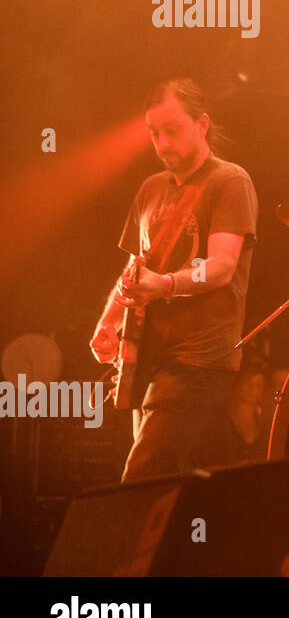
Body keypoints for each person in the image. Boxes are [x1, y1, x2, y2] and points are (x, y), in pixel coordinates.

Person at [89, 79, 259, 483]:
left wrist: (164, 285)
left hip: (199, 359)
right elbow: (135, 268)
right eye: (153, 133)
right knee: (166, 485)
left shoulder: (230, 181)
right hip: (146, 356)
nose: (162, 142)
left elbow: (221, 266)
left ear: (202, 125)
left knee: (140, 479)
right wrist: (108, 321)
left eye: (172, 130)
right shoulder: (150, 189)